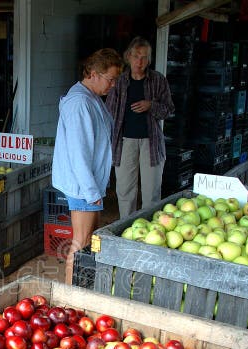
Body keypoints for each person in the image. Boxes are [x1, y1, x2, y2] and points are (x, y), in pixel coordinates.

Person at [52, 48, 123, 284]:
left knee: (90, 240)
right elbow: (78, 154)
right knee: (80, 242)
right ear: (93, 74)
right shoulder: (80, 103)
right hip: (83, 185)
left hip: (90, 183)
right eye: (110, 79)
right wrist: (92, 192)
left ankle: (83, 286)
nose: (113, 85)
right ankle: (69, 294)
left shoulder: (91, 98)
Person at [106, 37, 175, 219]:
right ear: (128, 56)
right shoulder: (119, 81)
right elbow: (109, 111)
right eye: (136, 56)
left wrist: (151, 105)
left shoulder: (158, 80)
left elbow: (169, 110)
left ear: (149, 59)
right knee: (125, 191)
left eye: (144, 57)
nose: (140, 61)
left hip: (151, 143)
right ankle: (126, 227)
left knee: (151, 192)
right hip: (124, 142)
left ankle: (150, 229)